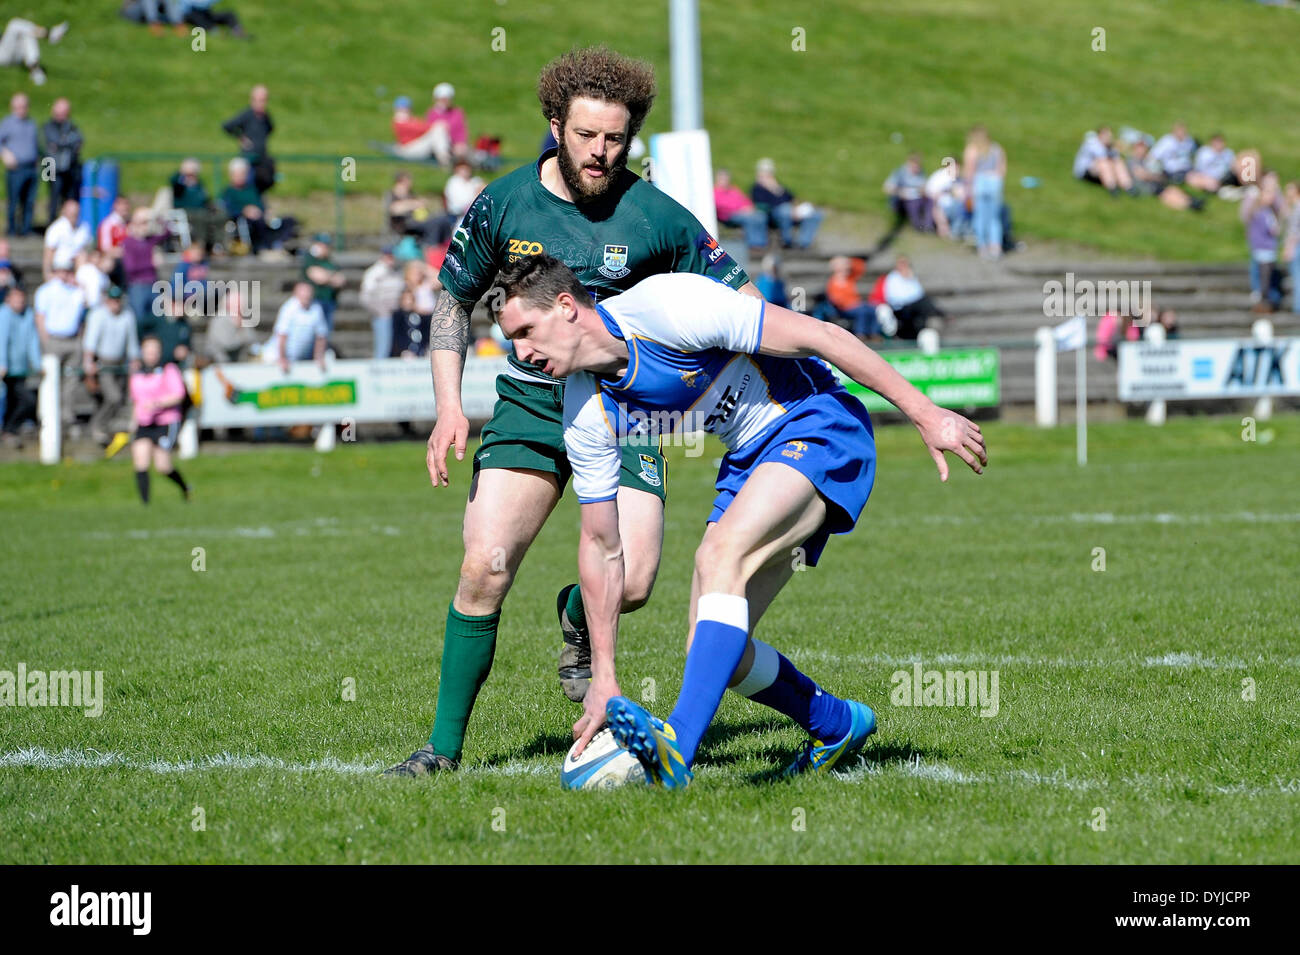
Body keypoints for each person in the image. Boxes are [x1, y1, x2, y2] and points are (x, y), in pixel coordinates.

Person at [383, 45, 761, 778]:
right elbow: (452, 300)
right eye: (587, 135)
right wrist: (448, 406)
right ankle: (441, 749)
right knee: (483, 566)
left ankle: (577, 615)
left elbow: (740, 299)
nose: (601, 151)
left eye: (616, 138)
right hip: (528, 407)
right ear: (555, 125)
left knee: (638, 581)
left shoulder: (656, 215)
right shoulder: (503, 203)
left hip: (622, 412)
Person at [486, 255, 986, 783]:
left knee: (719, 555)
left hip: (816, 421)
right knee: (712, 647)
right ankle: (836, 722)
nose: (520, 352)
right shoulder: (585, 408)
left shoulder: (667, 308)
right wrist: (603, 677)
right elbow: (601, 544)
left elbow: (823, 336)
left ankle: (677, 746)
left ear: (566, 307)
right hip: (748, 461)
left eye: (524, 331)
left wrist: (927, 415)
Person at [128, 334, 191, 503]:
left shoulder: (169, 369)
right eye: (148, 351)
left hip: (166, 421)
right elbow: (137, 401)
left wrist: (157, 403)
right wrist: (133, 423)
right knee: (141, 461)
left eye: (154, 351)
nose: (151, 355)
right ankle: (145, 506)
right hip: (144, 422)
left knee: (162, 466)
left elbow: (179, 395)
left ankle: (185, 488)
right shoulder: (137, 373)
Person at [82, 285, 140, 444]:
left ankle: (106, 427)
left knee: (120, 398)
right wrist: (89, 364)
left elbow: (132, 340)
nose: (115, 304)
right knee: (113, 397)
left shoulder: (127, 315)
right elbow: (91, 342)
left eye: (117, 300)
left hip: (120, 362)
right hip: (103, 362)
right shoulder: (98, 315)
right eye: (112, 300)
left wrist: (135, 358)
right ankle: (97, 427)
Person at [34, 257, 86, 435]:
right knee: (50, 381)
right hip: (54, 340)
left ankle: (67, 417)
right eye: (61, 270)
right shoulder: (45, 291)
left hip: (72, 340)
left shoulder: (75, 291)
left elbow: (84, 309)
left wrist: (78, 286)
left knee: (71, 382)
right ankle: (46, 417)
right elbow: (40, 318)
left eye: (67, 270)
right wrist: (46, 341)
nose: (64, 274)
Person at [0, 284, 41, 446]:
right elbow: (2, 341)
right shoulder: (3, 315)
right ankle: (9, 429)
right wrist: (2, 363)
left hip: (20, 369)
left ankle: (9, 430)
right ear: (8, 298)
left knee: (17, 400)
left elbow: (32, 341)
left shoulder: (28, 314)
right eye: (16, 297)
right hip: (7, 370)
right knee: (25, 400)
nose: (19, 301)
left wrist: (38, 364)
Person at [751, 157, 822, 250]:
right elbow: (762, 204)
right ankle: (787, 241)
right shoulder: (757, 188)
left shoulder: (778, 186)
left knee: (815, 214)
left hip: (791, 211)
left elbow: (791, 198)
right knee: (785, 211)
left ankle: (804, 243)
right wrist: (769, 188)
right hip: (774, 214)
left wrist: (776, 188)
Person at [222, 84, 275, 194]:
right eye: (259, 100)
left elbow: (270, 129)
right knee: (247, 186)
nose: (261, 103)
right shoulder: (247, 115)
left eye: (264, 100)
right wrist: (240, 137)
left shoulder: (266, 117)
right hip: (249, 160)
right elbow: (227, 126)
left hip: (261, 159)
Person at [963, 125, 1006, 260]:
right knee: (994, 218)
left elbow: (969, 172)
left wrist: (967, 190)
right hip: (994, 182)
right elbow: (1002, 170)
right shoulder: (996, 149)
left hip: (979, 182)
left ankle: (982, 246)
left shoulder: (972, 150)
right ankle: (995, 247)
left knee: (980, 217)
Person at [121, 208, 169, 326]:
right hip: (138, 285)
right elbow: (130, 268)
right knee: (139, 320)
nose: (145, 226)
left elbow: (167, 232)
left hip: (153, 284)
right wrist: (151, 263)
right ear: (134, 224)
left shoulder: (150, 240)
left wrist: (158, 218)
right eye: (142, 222)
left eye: (146, 222)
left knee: (159, 319)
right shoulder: (129, 243)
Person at [1, 92, 40, 236]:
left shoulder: (31, 123)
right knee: (14, 201)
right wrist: (5, 154)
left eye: (24, 106)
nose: (22, 109)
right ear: (13, 107)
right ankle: (11, 229)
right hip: (16, 168)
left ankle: (26, 229)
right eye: (19, 106)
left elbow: (36, 145)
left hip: (31, 167)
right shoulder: (7, 123)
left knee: (29, 201)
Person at [40, 98, 82, 228]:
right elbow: (53, 141)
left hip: (69, 167)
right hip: (51, 166)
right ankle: (51, 223)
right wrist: (66, 141)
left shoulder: (72, 126)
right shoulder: (48, 126)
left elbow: (78, 139)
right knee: (54, 196)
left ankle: (69, 223)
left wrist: (62, 143)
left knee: (69, 197)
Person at [881, 256, 946, 340]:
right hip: (900, 308)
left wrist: (909, 279)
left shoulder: (911, 277)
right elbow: (894, 297)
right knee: (925, 303)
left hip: (913, 306)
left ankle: (927, 325)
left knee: (924, 304)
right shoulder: (893, 278)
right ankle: (940, 314)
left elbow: (919, 293)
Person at [359, 245, 405, 359]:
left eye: (391, 256)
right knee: (383, 345)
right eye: (387, 256)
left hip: (397, 313)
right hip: (383, 314)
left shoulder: (396, 272)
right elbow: (365, 296)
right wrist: (380, 310)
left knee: (395, 346)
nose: (390, 258)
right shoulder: (374, 272)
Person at [271, 281, 328, 372]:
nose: (306, 294)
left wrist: (319, 357)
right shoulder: (288, 308)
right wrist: (282, 358)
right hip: (274, 357)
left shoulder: (316, 309)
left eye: (308, 291)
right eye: (303, 291)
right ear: (296, 293)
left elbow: (321, 336)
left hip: (299, 359)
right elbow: (282, 335)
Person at [713, 168, 770, 256]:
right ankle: (754, 245)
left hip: (743, 212)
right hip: (728, 216)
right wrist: (740, 210)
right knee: (749, 218)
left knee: (761, 216)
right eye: (722, 178)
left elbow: (745, 200)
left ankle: (762, 243)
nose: (725, 180)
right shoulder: (715, 192)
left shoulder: (734, 190)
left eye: (726, 178)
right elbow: (721, 207)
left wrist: (749, 207)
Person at [169, 157, 219, 253]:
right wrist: (182, 172)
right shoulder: (179, 183)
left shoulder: (199, 184)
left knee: (219, 215)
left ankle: (217, 245)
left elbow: (205, 198)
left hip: (201, 210)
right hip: (185, 211)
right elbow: (173, 180)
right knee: (200, 216)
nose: (191, 175)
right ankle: (201, 245)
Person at [0, 17, 67, 86]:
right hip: (2, 55)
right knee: (14, 25)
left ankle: (36, 72)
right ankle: (50, 34)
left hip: (12, 55)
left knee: (27, 33)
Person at [219, 156, 265, 253]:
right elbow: (228, 208)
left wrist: (259, 210)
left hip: (257, 217)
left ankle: (266, 246)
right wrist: (244, 210)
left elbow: (260, 204)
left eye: (244, 174)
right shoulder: (228, 192)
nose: (241, 177)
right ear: (231, 175)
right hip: (240, 219)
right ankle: (257, 247)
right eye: (238, 174)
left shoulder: (251, 189)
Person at [301, 233, 345, 334]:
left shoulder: (330, 261)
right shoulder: (310, 260)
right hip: (315, 302)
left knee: (325, 334)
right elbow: (318, 277)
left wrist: (326, 276)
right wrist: (331, 277)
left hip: (329, 301)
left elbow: (341, 280)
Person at [1072, 126, 1134, 196]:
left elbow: (1116, 158)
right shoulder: (1092, 143)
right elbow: (1102, 157)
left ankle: (1128, 186)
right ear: (1100, 135)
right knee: (1104, 163)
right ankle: (1112, 188)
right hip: (1085, 172)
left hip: (1101, 171)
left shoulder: (1109, 146)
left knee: (1118, 162)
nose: (1108, 137)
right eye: (1106, 135)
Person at [825, 255, 877, 338]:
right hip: (844, 309)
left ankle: (873, 333)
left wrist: (849, 261)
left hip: (856, 305)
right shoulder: (833, 282)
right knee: (862, 311)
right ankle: (860, 334)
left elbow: (860, 267)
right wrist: (851, 304)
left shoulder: (849, 278)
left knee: (871, 309)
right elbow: (836, 300)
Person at [883, 153, 933, 233]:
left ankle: (928, 225)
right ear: (909, 164)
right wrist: (900, 192)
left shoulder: (921, 173)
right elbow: (887, 188)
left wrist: (922, 191)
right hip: (902, 200)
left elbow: (924, 186)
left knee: (929, 201)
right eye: (915, 165)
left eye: (918, 165)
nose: (917, 168)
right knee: (913, 203)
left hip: (917, 197)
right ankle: (918, 226)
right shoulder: (900, 173)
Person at [42, 199, 92, 279]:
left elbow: (89, 248)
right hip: (60, 268)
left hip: (79, 267)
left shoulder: (84, 228)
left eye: (76, 213)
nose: (74, 215)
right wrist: (47, 274)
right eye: (72, 213)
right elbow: (49, 252)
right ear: (65, 212)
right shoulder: (56, 228)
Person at [443, 158, 485, 225]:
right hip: (458, 216)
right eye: (462, 169)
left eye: (467, 168)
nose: (465, 171)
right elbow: (459, 203)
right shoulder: (454, 182)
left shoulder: (475, 181)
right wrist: (476, 195)